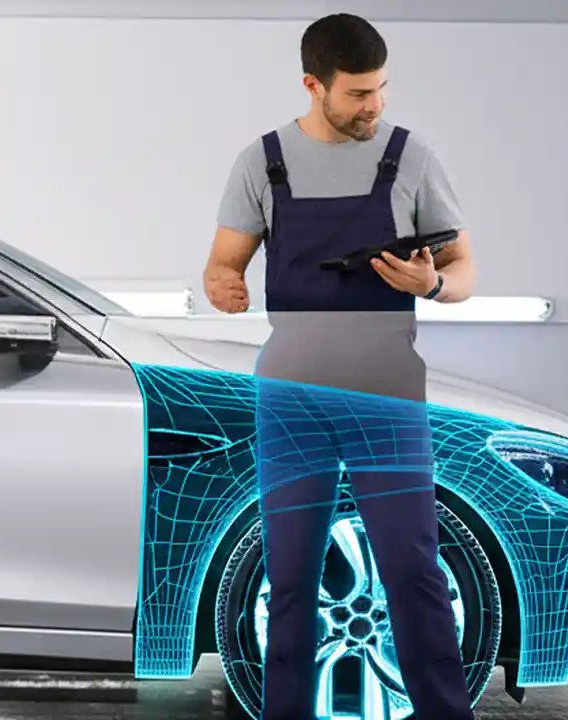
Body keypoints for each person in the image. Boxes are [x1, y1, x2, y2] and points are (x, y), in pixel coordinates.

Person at [203, 13, 478, 720]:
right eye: (358, 93)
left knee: (413, 571)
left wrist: (434, 285)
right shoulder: (261, 163)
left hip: (387, 395)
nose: (374, 105)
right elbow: (223, 264)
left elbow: (464, 270)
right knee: (290, 578)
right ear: (313, 85)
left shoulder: (411, 157)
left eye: (381, 89)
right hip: (290, 398)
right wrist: (224, 286)